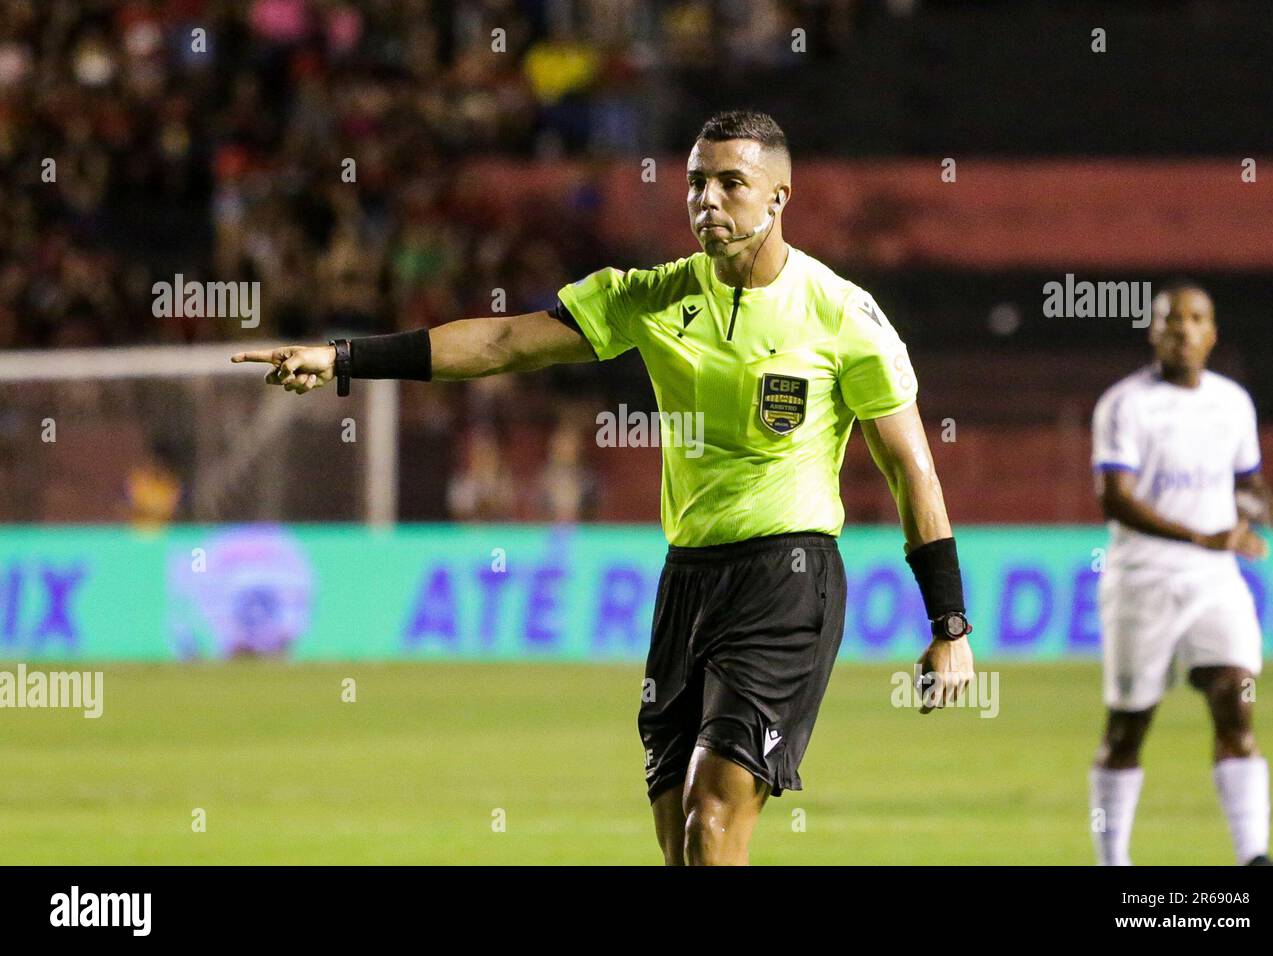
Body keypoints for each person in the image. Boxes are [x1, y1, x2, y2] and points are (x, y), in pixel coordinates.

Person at [232, 110, 975, 865]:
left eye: (730, 184)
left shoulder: (842, 316)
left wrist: (949, 626)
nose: (706, 201)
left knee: (712, 825)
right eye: (694, 183)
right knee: (679, 842)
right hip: (686, 580)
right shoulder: (649, 297)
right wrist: (346, 358)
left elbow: (910, 467)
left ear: (781, 197)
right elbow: (500, 341)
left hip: (786, 581)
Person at [1089, 280, 1273, 866]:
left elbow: (1244, 485)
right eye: (1171, 319)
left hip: (1215, 582)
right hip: (1142, 582)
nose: (1183, 328)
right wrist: (1205, 535)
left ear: (1212, 333)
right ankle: (1114, 862)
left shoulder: (1232, 402)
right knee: (1128, 729)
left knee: (1236, 698)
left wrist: (1269, 509)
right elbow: (1116, 499)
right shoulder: (1124, 404)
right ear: (1153, 331)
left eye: (1196, 318)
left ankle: (1254, 856)